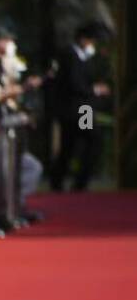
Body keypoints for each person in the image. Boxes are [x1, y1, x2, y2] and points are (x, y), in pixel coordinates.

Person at [49, 23, 109, 192]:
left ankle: (72, 181)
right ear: (83, 39)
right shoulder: (70, 56)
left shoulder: (84, 58)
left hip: (84, 108)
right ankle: (71, 181)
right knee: (87, 140)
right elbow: (75, 84)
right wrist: (95, 90)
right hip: (78, 109)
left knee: (79, 143)